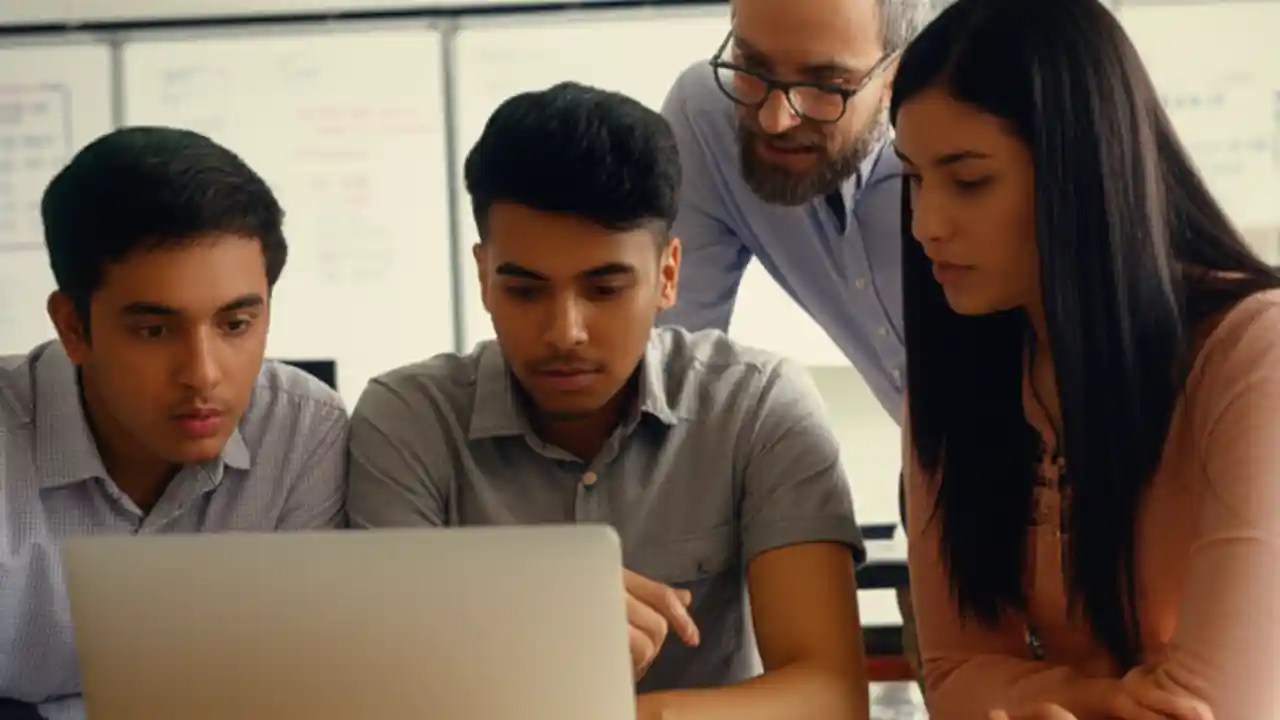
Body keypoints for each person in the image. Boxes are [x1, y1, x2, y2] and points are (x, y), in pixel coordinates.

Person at [347, 82, 871, 719]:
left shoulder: (757, 406)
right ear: (484, 278)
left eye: (605, 288)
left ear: (668, 275)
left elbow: (830, 696)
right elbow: (384, 694)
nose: (565, 330)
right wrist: (529, 621)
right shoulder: (406, 421)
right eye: (526, 291)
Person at [891, 1, 1280, 719]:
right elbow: (954, 675)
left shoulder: (1255, 353)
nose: (925, 225)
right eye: (912, 179)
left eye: (969, 181)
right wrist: (1103, 700)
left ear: (1084, 168)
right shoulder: (958, 363)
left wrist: (1036, 699)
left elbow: (1222, 707)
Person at [0, 127, 350, 720]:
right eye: (154, 330)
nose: (203, 375)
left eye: (235, 324)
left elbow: (293, 686)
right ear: (73, 328)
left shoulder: (303, 432)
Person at [659, 0, 933, 674]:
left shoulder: (985, 120)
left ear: (898, 72)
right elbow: (666, 367)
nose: (777, 117)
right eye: (752, 68)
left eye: (827, 86)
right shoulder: (709, 114)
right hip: (936, 479)